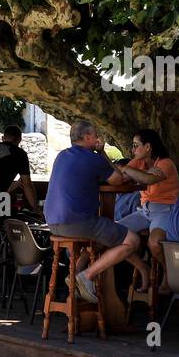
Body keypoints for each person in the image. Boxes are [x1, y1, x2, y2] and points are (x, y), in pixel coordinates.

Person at [44, 120, 139, 307]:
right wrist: (102, 152)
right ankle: (86, 276)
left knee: (98, 240)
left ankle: (74, 277)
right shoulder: (93, 158)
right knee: (132, 240)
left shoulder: (61, 156)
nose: (97, 139)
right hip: (77, 221)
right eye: (95, 135)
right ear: (87, 137)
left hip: (52, 221)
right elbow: (118, 180)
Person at [112, 129, 179, 290]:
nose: (133, 150)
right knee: (112, 234)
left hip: (166, 210)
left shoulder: (165, 163)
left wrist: (127, 169)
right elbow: (119, 177)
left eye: (136, 146)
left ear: (148, 147)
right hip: (144, 210)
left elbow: (148, 179)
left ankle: (169, 274)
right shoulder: (137, 162)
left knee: (154, 243)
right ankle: (143, 268)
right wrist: (101, 153)